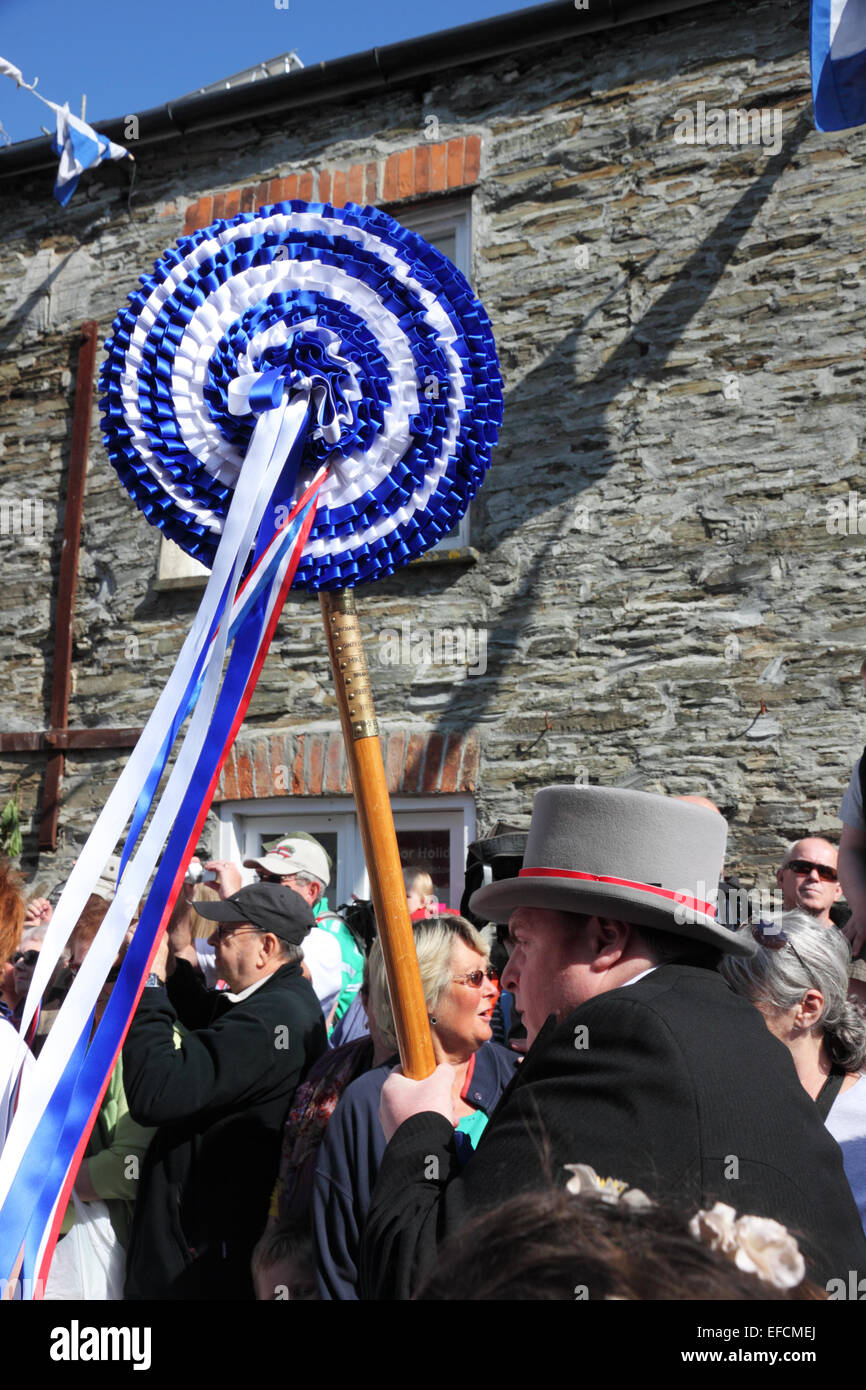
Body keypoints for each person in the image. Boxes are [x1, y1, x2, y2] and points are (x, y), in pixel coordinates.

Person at [360, 785, 866, 1299]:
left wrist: (416, 1131)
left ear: (604, 939)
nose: (508, 977)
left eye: (524, 942)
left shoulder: (620, 1038)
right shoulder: (736, 1028)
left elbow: (428, 1276)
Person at [122, 882, 327, 1299]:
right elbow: (212, 1019)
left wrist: (150, 985)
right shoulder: (279, 1001)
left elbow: (154, 1092)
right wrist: (177, 958)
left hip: (200, 1260)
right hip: (203, 1244)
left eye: (225, 933)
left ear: (266, 947)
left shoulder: (271, 1021)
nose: (212, 941)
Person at [314, 914, 518, 1300]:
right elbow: (341, 1260)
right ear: (426, 996)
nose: (493, 989)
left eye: (490, 973)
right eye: (474, 978)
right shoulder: (367, 1100)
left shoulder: (516, 1080)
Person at [721, 910, 866, 1234]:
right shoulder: (718, 1092)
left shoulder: (861, 1120)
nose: (722, 1013)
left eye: (741, 999)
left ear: (808, 1008)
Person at [776, 838, 843, 926]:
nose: (814, 876)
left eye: (826, 873)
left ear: (838, 890)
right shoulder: (755, 932)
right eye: (802, 867)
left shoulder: (857, 937)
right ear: (781, 878)